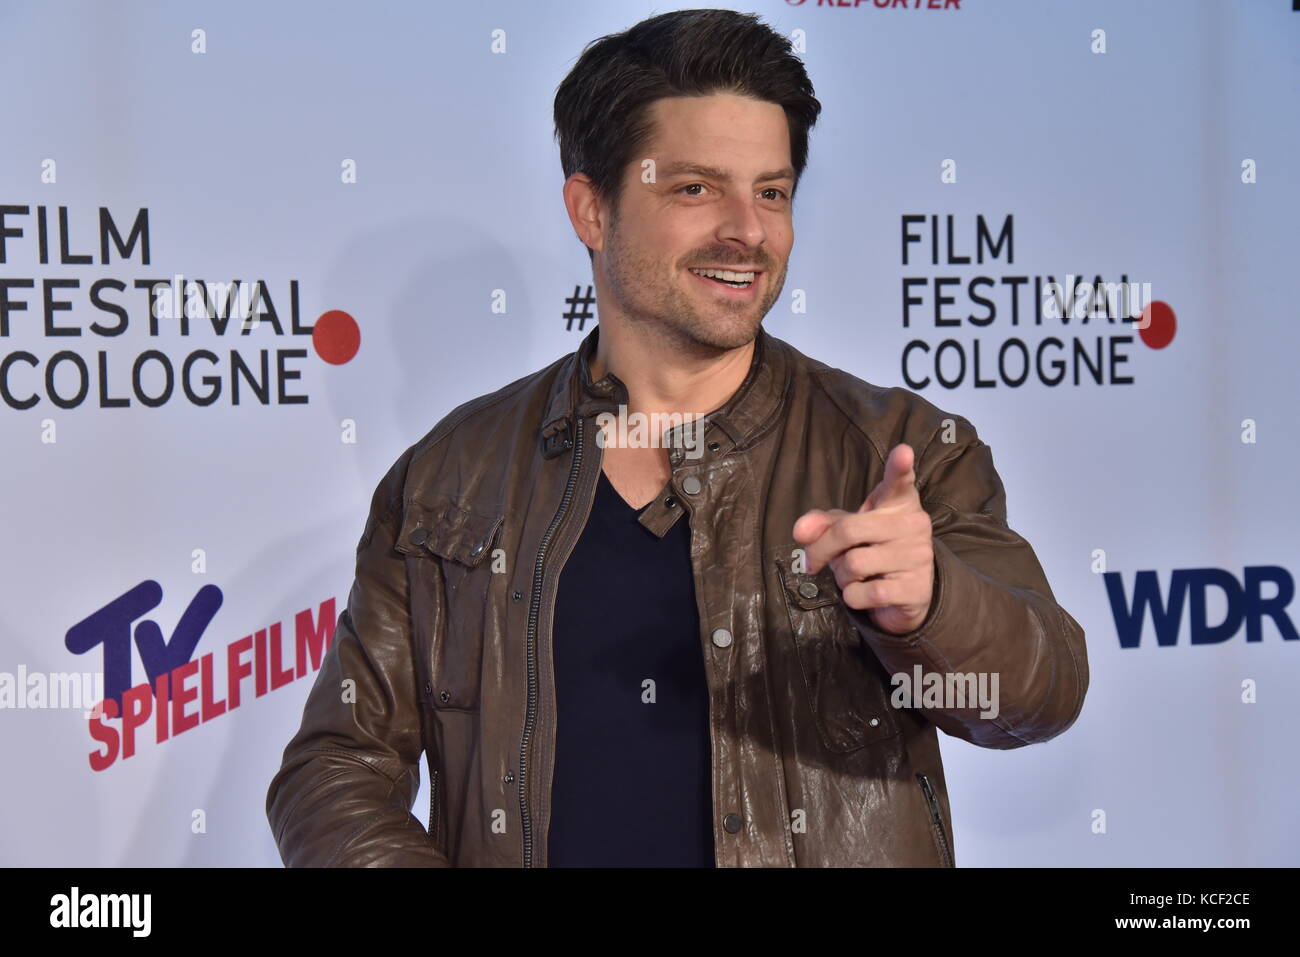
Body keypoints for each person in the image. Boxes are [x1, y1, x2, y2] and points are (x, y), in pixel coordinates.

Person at [266, 8, 1088, 867]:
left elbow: (1040, 694)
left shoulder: (898, 450)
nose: (748, 229)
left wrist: (933, 609)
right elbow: (334, 766)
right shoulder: (449, 477)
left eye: (772, 191)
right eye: (694, 188)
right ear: (591, 209)